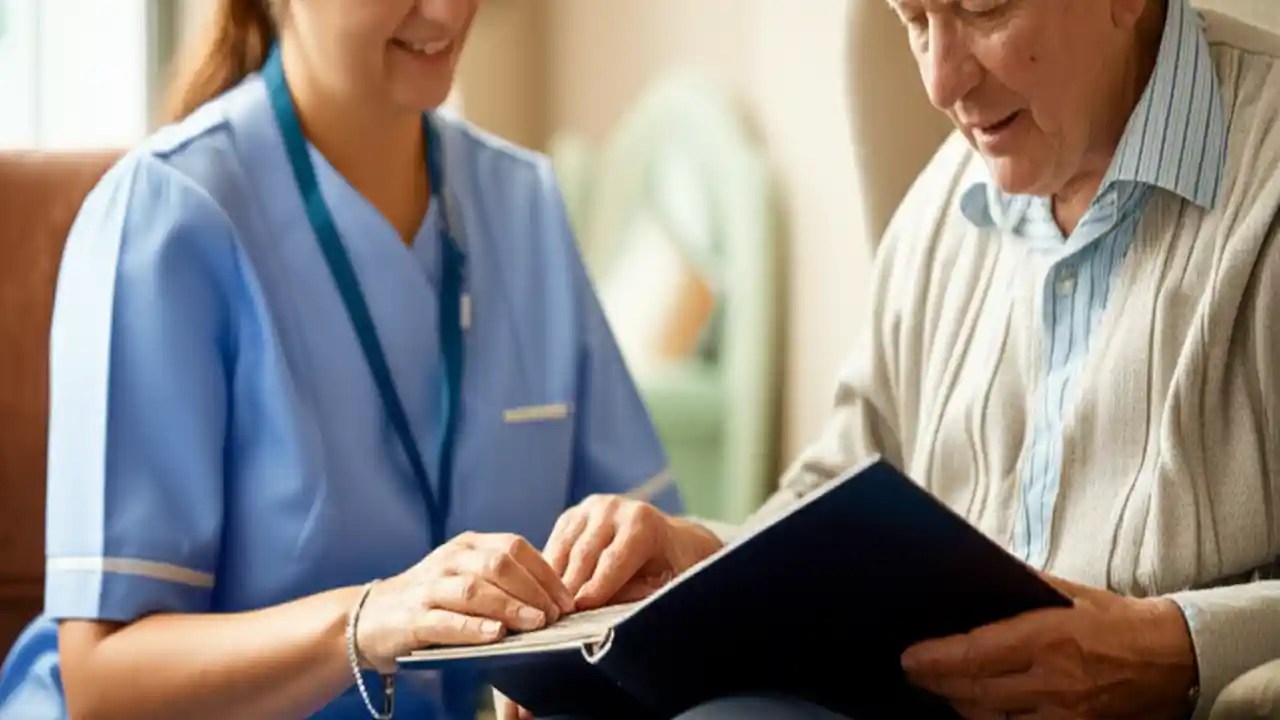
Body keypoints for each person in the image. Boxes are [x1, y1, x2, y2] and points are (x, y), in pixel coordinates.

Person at [500, 0, 1280, 718]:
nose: (942, 81)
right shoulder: (943, 204)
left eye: (982, 8)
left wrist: (1177, 646)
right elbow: (827, 499)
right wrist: (690, 560)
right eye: (914, 17)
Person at [0, 0, 725, 718]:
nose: (445, 10)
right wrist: (368, 621)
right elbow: (101, 683)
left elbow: (654, 557)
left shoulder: (523, 204)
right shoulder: (164, 215)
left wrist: (670, 548)